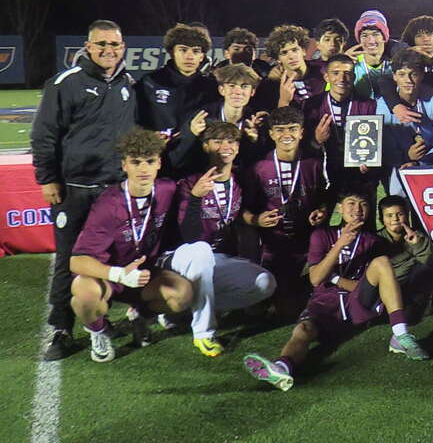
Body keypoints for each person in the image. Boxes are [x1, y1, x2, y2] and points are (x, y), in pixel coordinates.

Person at [242, 188, 429, 392]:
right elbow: (315, 279)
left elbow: (376, 280)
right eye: (351, 203)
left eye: (363, 205)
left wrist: (416, 245)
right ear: (339, 208)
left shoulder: (374, 241)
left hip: (357, 301)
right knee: (303, 330)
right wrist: (339, 245)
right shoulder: (322, 235)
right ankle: (281, 367)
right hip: (325, 302)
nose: (357, 209)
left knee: (382, 262)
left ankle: (400, 336)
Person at [32, 19, 138, 360]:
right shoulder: (66, 83)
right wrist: (48, 178)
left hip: (113, 190)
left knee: (119, 255)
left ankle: (126, 316)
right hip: (75, 189)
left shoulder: (128, 84)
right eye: (102, 44)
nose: (109, 50)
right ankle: (62, 329)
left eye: (115, 44)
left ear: (123, 47)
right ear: (88, 46)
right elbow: (44, 134)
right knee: (69, 259)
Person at [68, 128, 197, 362]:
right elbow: (77, 261)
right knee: (82, 294)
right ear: (124, 165)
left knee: (182, 295)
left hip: (147, 275)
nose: (143, 169)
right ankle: (99, 330)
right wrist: (117, 274)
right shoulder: (108, 204)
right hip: (109, 276)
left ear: (159, 163)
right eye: (135, 162)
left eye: (150, 161)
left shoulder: (168, 190)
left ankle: (141, 315)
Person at [175, 121, 277, 357]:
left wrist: (257, 220)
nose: (225, 146)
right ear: (205, 146)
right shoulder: (190, 181)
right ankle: (204, 333)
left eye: (231, 141)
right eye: (217, 141)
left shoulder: (240, 181)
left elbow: (242, 214)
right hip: (182, 258)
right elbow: (187, 235)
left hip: (217, 258)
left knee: (265, 283)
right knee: (200, 249)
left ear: (238, 148)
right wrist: (194, 198)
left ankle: (184, 306)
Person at [242, 107, 329, 319]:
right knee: (260, 309)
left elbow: (325, 198)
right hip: (271, 246)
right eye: (279, 130)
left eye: (292, 129)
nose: (286, 135)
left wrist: (322, 212)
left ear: (301, 132)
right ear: (271, 134)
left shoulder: (314, 164)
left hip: (307, 246)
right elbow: (242, 210)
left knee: (295, 308)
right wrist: (256, 220)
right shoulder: (259, 167)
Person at [375, 49, 433, 195]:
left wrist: (421, 163)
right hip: (397, 164)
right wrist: (405, 159)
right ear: (394, 77)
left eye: (414, 74)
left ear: (422, 75)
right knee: (397, 204)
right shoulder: (383, 106)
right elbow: (386, 144)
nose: (408, 80)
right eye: (402, 74)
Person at [171, 63, 268, 176]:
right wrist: (191, 134)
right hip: (203, 176)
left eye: (244, 86)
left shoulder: (257, 120)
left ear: (252, 92)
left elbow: (260, 164)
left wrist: (254, 141)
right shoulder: (202, 117)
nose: (237, 92)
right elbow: (176, 160)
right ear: (221, 90)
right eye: (232, 86)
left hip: (240, 181)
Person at [302, 54, 376, 187]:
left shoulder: (368, 105)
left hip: (358, 176)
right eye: (335, 73)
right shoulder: (310, 105)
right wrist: (316, 141)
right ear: (326, 77)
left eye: (347, 73)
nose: (341, 78)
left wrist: (370, 160)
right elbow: (302, 147)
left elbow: (375, 144)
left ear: (353, 77)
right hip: (324, 174)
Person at [134, 23, 217, 140]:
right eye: (183, 50)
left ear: (202, 56)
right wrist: (148, 137)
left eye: (195, 51)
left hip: (198, 154)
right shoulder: (150, 82)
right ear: (172, 52)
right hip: (158, 152)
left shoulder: (212, 87)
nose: (189, 57)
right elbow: (134, 121)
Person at [373, 195, 433, 317]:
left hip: (411, 285)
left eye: (400, 214)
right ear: (381, 219)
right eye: (389, 215)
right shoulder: (376, 240)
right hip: (388, 288)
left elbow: (431, 261)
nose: (395, 219)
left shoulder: (417, 235)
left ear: (407, 215)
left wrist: (417, 244)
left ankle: (422, 304)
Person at [253, 24, 326, 111]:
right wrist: (283, 102)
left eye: (294, 50)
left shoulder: (323, 69)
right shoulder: (269, 86)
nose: (291, 56)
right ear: (278, 59)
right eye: (284, 53)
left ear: (303, 51)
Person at [348, 9, 403, 99]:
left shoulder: (396, 65)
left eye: (375, 34)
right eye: (364, 36)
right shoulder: (352, 65)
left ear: (384, 38)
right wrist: (342, 64)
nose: (371, 41)